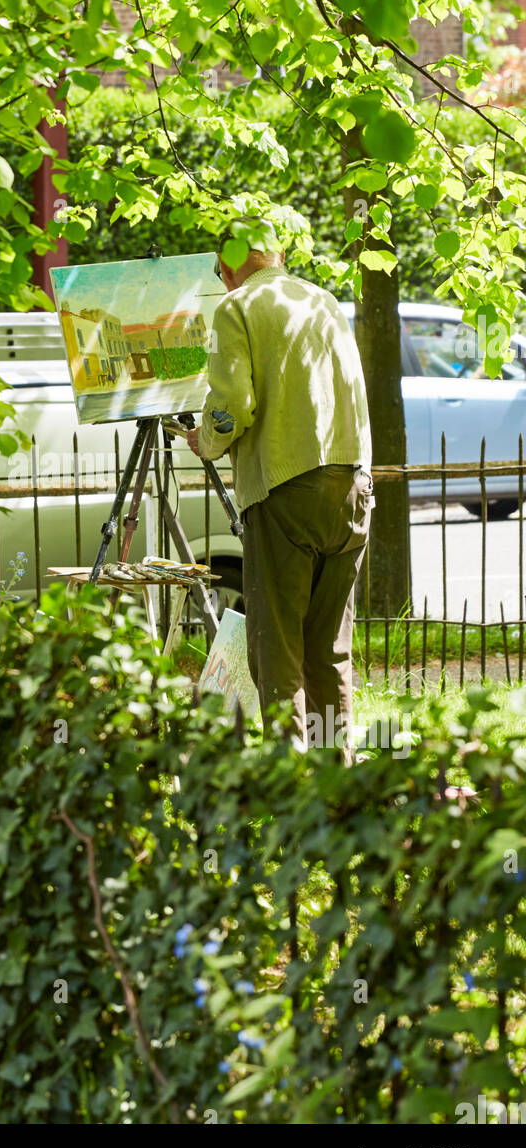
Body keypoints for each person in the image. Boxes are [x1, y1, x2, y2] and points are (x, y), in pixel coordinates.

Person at [187, 228, 374, 760]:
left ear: (226, 266)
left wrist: (208, 440)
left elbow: (233, 404)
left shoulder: (237, 308)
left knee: (277, 652)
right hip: (353, 488)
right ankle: (336, 784)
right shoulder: (321, 300)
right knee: (329, 652)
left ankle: (288, 790)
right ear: (281, 258)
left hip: (286, 489)